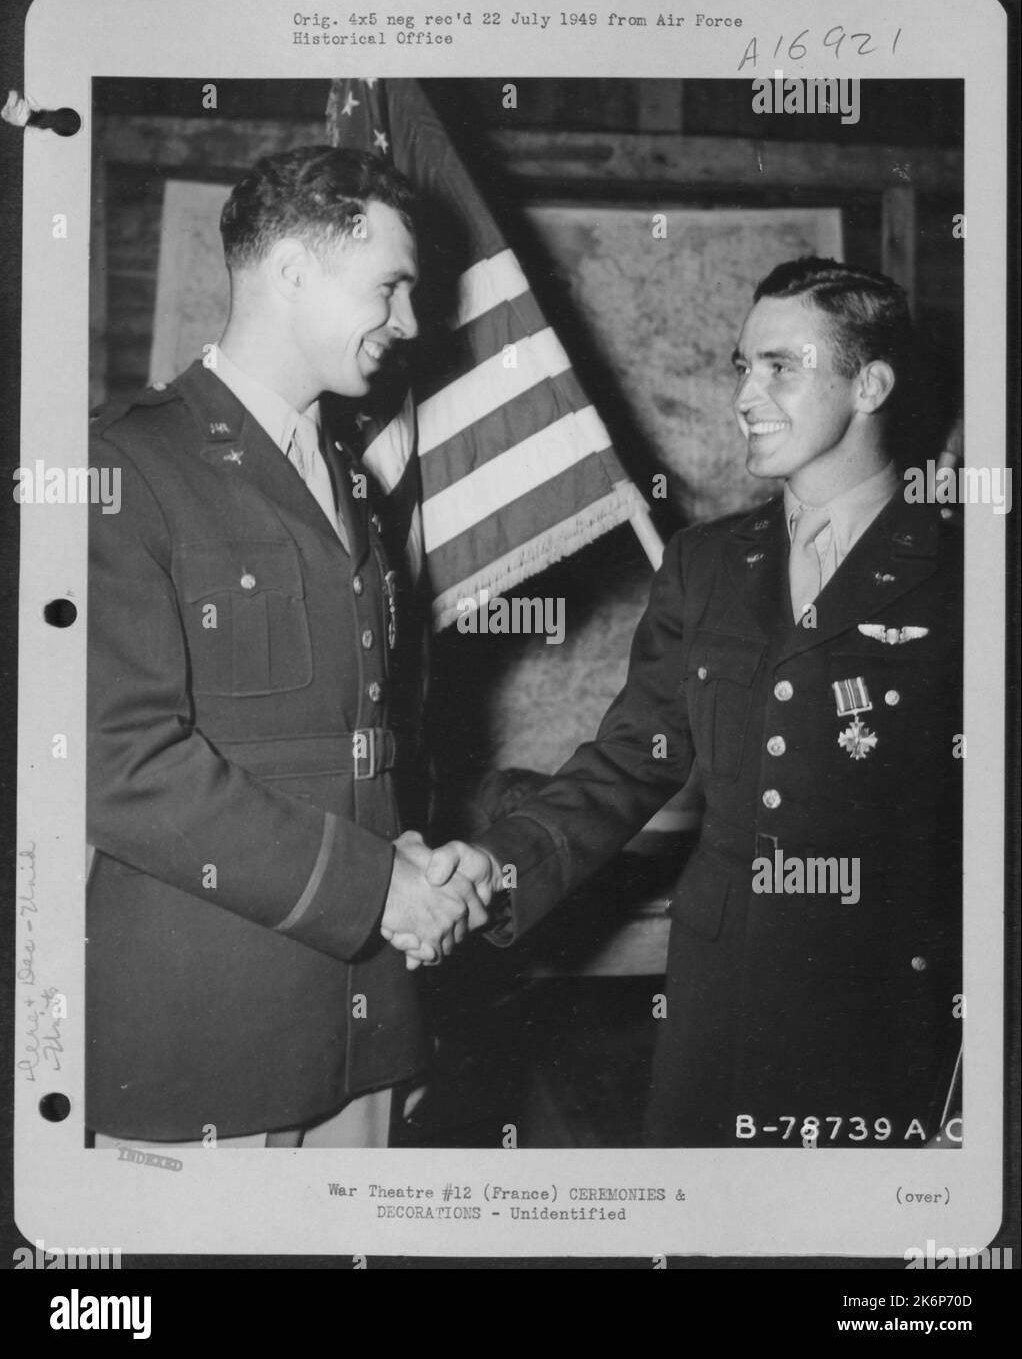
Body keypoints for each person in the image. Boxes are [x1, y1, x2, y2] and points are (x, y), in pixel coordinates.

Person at [425, 257, 963, 1148]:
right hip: (723, 1006)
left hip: (889, 1007)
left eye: (781, 367)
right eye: (741, 367)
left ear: (869, 384)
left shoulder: (968, 573)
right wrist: (499, 866)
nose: (748, 394)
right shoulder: (707, 564)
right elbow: (634, 758)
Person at [86, 146, 493, 1149]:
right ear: (294, 272)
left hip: (366, 1031)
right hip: (210, 1037)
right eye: (390, 287)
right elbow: (120, 764)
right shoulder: (125, 460)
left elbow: (358, 731)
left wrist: (405, 863)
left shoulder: (350, 477)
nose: (407, 323)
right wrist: (372, 890)